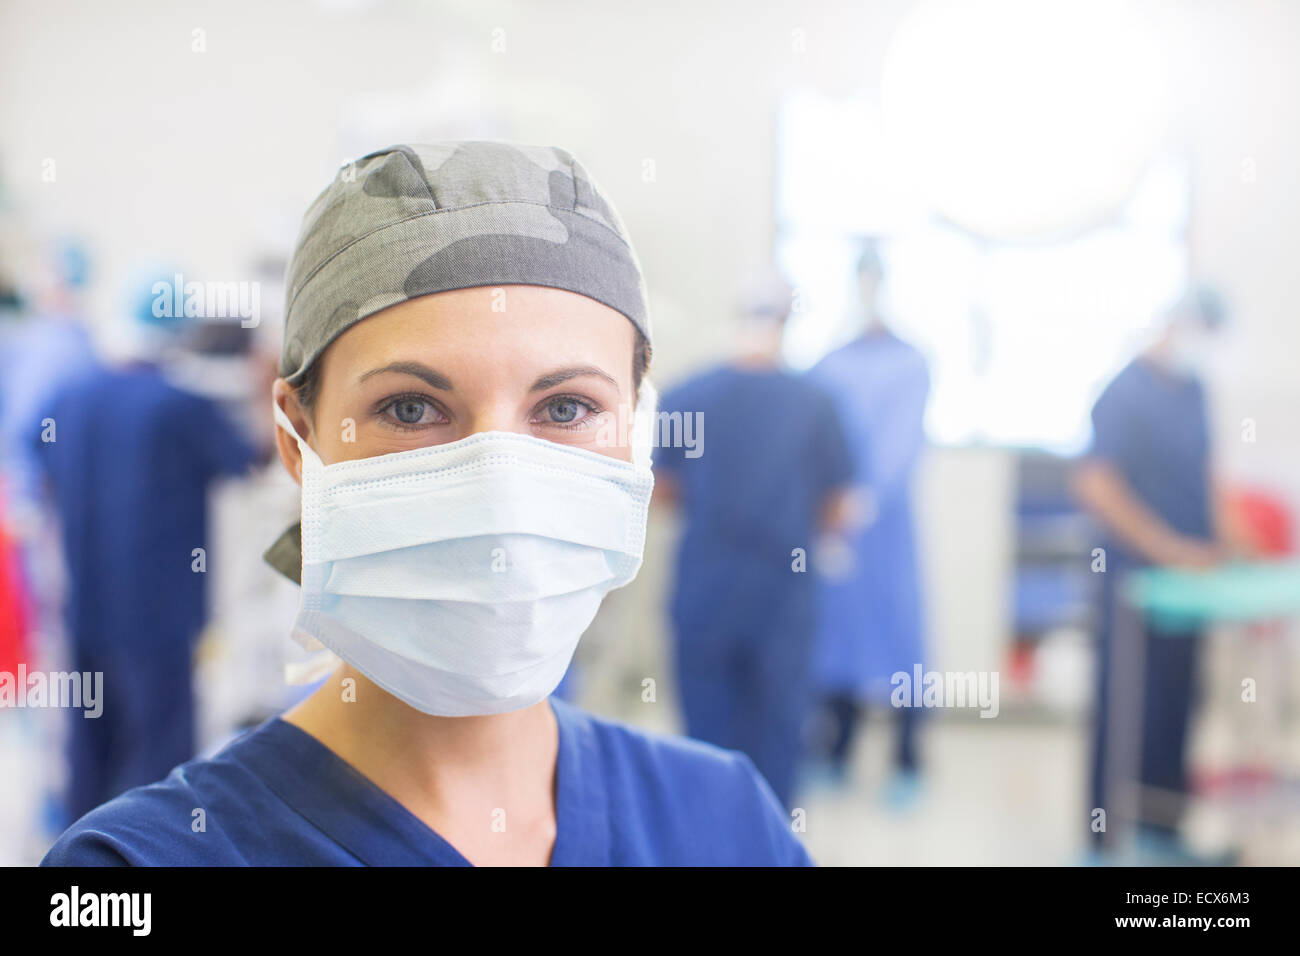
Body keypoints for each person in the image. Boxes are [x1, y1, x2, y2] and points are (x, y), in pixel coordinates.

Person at [42, 142, 813, 866]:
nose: (501, 484)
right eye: (412, 408)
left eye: (568, 408)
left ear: (637, 436)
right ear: (296, 438)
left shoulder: (725, 820)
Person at [34, 266, 261, 822]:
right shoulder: (180, 406)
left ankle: (81, 867)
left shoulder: (70, 396)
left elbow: (41, 472)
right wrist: (264, 382)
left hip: (86, 604)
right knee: (158, 762)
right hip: (157, 614)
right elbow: (253, 456)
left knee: (90, 746)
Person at [654, 269, 856, 809]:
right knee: (778, 728)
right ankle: (768, 839)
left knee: (707, 732)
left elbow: (658, 488)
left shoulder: (688, 395)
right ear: (787, 323)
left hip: (707, 587)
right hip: (782, 594)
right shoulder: (816, 403)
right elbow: (838, 507)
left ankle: (712, 837)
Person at [1072, 284, 1233, 858]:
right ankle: (1104, 837)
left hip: (1188, 586)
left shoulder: (1193, 390)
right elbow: (1095, 484)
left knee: (1179, 703)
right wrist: (1168, 547)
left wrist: (1229, 541)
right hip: (1133, 581)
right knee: (1126, 707)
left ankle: (1166, 831)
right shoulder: (1123, 393)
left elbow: (1205, 474)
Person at [805, 240, 931, 803]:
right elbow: (819, 438)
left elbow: (902, 440)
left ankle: (908, 760)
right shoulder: (828, 363)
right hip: (837, 521)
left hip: (886, 524)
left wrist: (868, 495)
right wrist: (832, 502)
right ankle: (837, 749)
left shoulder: (910, 361)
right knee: (839, 638)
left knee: (901, 636)